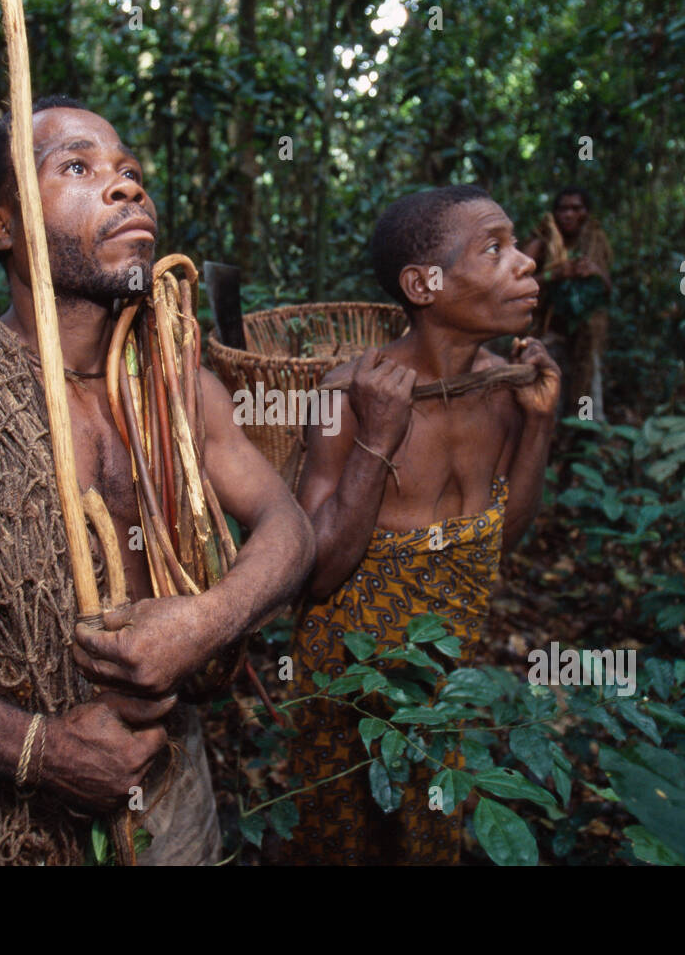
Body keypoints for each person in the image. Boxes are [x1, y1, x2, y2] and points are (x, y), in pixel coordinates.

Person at [0, 96, 314, 865]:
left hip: (169, 776)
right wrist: (40, 750)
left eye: (130, 170)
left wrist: (207, 621)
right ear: (2, 228)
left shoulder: (178, 387)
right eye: (77, 166)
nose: (126, 185)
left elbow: (289, 529)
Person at [279, 185, 559, 864]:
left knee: (427, 836)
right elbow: (317, 571)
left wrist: (541, 425)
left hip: (443, 673)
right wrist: (377, 438)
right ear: (423, 284)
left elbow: (499, 544)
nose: (525, 263)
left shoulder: (505, 390)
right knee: (342, 836)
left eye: (516, 245)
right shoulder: (348, 395)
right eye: (495, 248)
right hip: (348, 675)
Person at [521, 187, 612, 420]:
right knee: (545, 401)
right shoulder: (541, 243)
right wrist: (556, 274)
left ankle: (581, 445)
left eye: (576, 208)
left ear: (587, 213)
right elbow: (517, 284)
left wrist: (596, 274)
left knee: (586, 397)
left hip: (584, 338)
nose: (569, 215)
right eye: (563, 209)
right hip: (548, 332)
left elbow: (607, 291)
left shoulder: (595, 244)